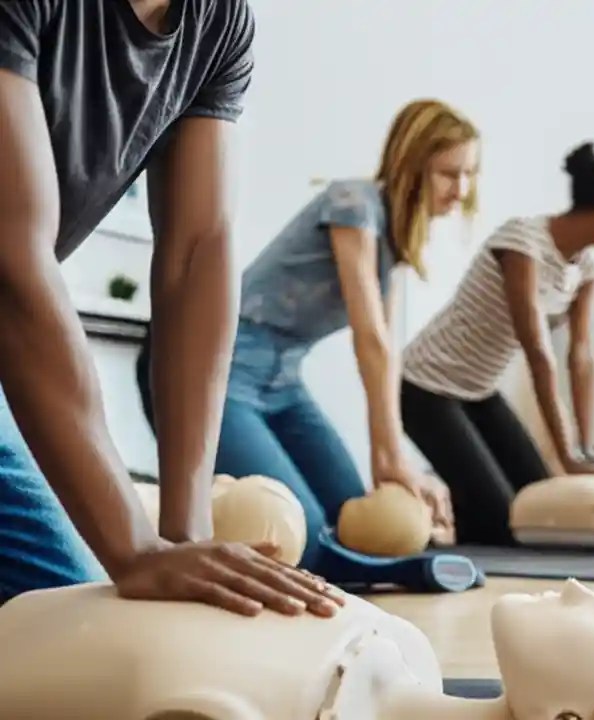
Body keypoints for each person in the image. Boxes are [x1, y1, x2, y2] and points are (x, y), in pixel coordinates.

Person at [0, 0, 335, 617]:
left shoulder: (218, 22)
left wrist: (187, 533)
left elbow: (196, 253)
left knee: (82, 610)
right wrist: (132, 548)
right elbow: (13, 259)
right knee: (70, 625)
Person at [136, 99, 472, 580]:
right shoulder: (353, 204)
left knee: (357, 523)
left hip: (283, 381)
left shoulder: (394, 241)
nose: (461, 190)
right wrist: (392, 456)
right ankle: (161, 516)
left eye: (467, 176)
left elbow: (386, 349)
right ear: (412, 165)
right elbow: (370, 338)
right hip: (216, 367)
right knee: (307, 540)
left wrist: (397, 478)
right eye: (449, 173)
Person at [400, 142, 594, 546]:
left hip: (479, 391)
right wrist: (567, 456)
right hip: (425, 386)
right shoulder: (522, 242)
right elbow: (537, 350)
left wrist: (585, 450)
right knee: (503, 522)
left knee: (536, 504)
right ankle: (424, 500)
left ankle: (462, 494)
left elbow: (581, 356)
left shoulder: (588, 265)